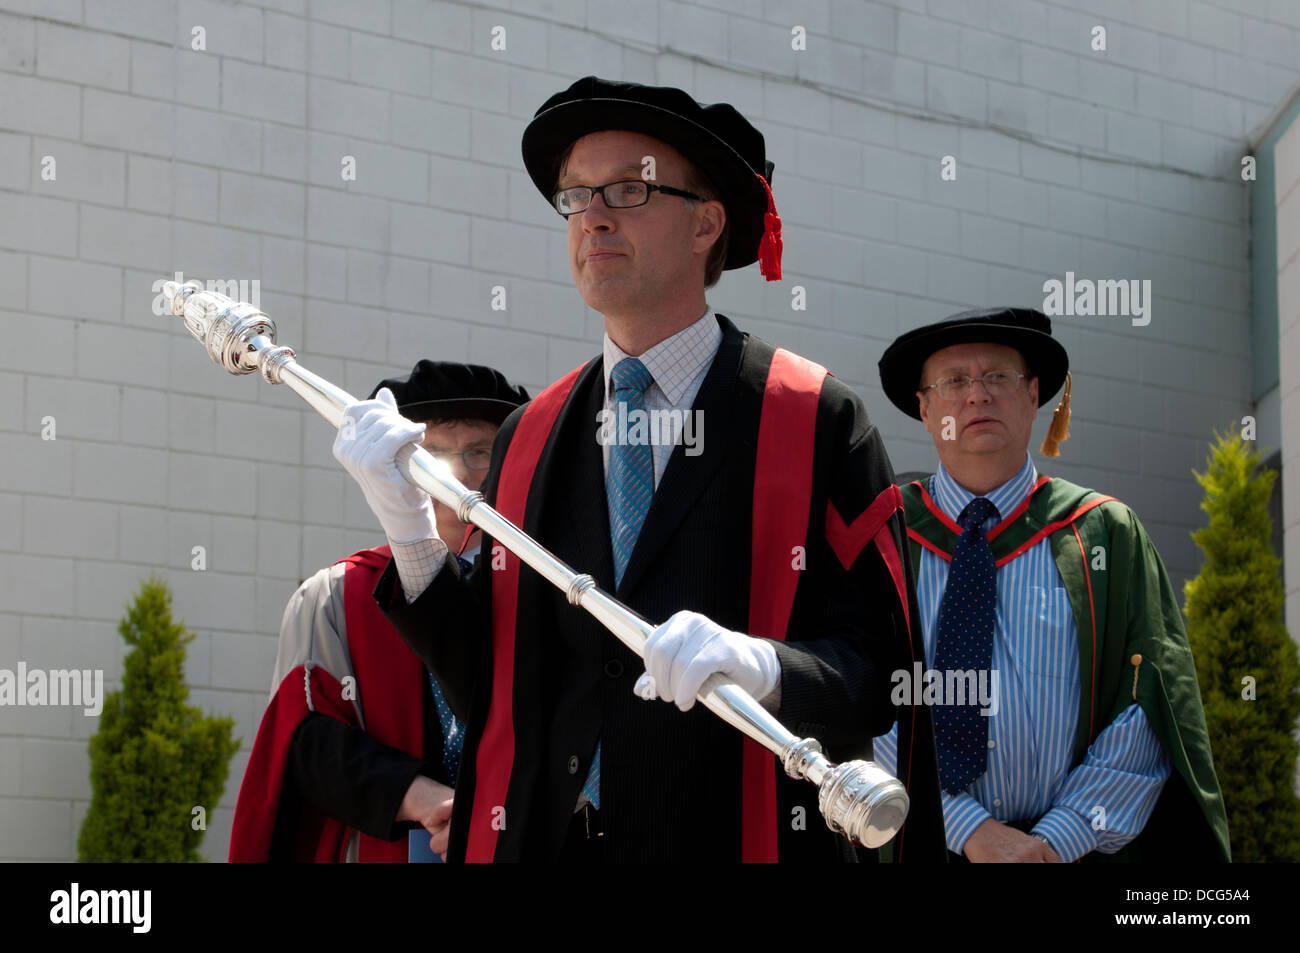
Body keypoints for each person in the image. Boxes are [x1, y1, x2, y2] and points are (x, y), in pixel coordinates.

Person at [333, 76, 946, 863]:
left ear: (708, 222)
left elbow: (880, 668)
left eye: (629, 188)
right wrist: (410, 532)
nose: (592, 215)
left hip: (736, 838)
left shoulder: (814, 417)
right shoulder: (533, 433)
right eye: (577, 195)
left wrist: (763, 665)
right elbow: (494, 688)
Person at [873, 306, 1230, 862]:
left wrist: (1056, 840)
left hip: (1070, 852)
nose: (977, 395)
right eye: (954, 381)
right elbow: (860, 695)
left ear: (1033, 395)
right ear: (924, 408)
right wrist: (967, 828)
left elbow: (1147, 702)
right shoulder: (882, 536)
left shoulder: (1105, 534)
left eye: (999, 377)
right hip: (920, 842)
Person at [228, 362, 529, 862]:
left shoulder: (552, 587)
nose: (457, 473)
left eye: (481, 452)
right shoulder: (336, 594)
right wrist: (421, 797)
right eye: (429, 453)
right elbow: (307, 740)